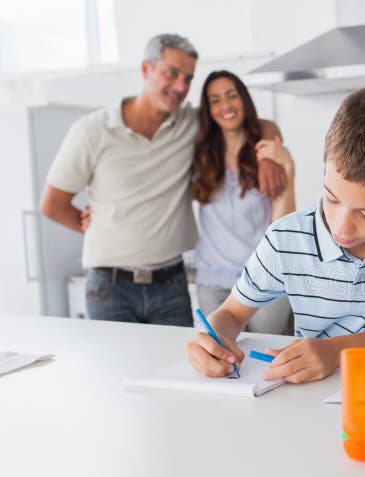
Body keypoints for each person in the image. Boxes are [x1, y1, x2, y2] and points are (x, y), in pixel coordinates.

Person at [186, 84, 365, 384]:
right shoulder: (285, 240)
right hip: (314, 397)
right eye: (331, 197)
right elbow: (232, 314)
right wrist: (209, 340)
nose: (342, 226)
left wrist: (335, 352)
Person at [39, 34, 286, 327]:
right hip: (110, 286)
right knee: (116, 370)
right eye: (172, 73)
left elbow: (242, 120)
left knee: (175, 370)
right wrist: (96, 226)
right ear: (146, 69)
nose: (181, 86)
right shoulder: (92, 130)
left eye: (188, 78)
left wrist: (268, 154)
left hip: (171, 283)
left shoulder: (190, 124)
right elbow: (52, 205)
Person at [192, 70, 296, 334]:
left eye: (232, 96)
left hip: (266, 278)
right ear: (208, 109)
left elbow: (282, 221)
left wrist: (285, 168)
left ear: (244, 99)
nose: (225, 106)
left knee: (266, 358)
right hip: (213, 281)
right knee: (219, 357)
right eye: (215, 100)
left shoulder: (267, 148)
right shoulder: (200, 151)